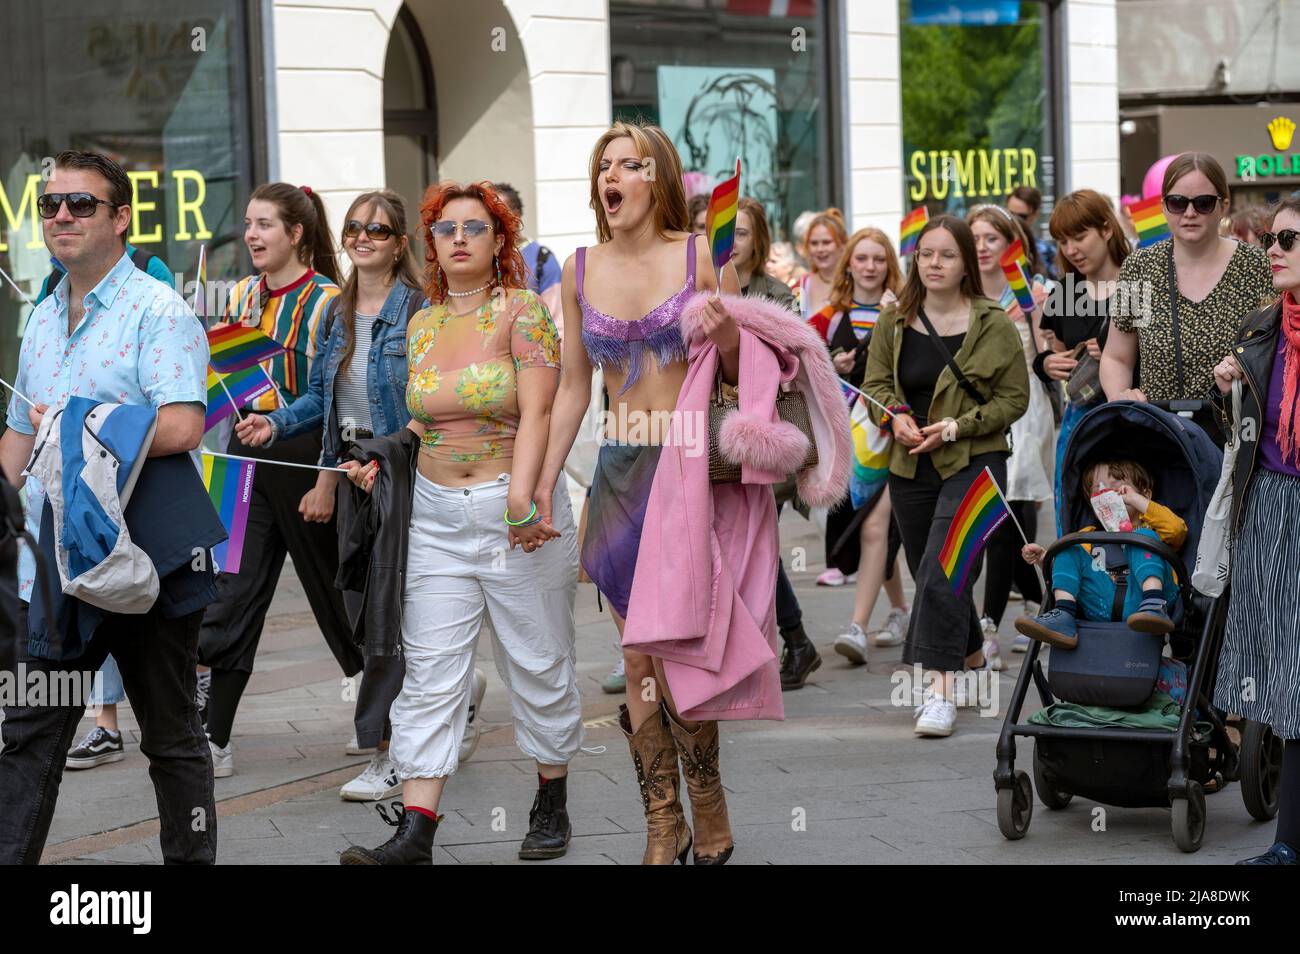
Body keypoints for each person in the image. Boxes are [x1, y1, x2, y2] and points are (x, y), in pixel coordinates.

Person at [534, 121, 850, 864]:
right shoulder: (577, 269)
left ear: (657, 178)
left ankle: (709, 807)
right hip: (618, 477)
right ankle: (660, 821)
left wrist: (727, 330)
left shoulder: (700, 255)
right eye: (602, 166)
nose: (611, 177)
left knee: (677, 656)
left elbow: (752, 378)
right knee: (636, 660)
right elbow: (574, 390)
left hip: (687, 474)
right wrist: (543, 486)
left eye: (627, 164)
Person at [338, 180, 581, 865]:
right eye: (446, 230)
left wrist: (524, 497)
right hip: (438, 518)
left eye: (475, 227)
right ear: (433, 245)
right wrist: (385, 458)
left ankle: (550, 799)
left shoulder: (523, 310)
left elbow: (538, 409)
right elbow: (423, 417)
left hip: (517, 508)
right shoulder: (423, 322)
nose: (460, 239)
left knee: (537, 661)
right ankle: (418, 829)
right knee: (432, 672)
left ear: (500, 240)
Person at [0, 150, 217, 863]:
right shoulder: (42, 316)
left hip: (140, 553)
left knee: (171, 737)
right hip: (53, 558)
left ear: (120, 219)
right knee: (30, 730)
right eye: (51, 204)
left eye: (81, 204)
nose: (61, 216)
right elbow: (19, 431)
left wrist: (83, 427)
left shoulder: (158, 309)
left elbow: (184, 424)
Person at [233, 189, 472, 802]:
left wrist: (383, 460)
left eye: (380, 231)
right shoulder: (335, 315)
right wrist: (277, 423)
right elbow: (322, 401)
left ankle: (398, 753)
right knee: (366, 615)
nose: (364, 238)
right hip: (354, 482)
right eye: (355, 228)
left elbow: (431, 402)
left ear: (400, 245)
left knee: (403, 617)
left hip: (407, 480)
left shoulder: (421, 309)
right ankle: (416, 736)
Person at [198, 183, 361, 779]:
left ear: (296, 233)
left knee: (335, 593)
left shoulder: (328, 302)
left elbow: (335, 398)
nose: (252, 235)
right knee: (229, 595)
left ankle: (406, 700)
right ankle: (214, 738)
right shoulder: (236, 294)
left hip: (303, 460)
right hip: (240, 460)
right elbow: (222, 380)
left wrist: (326, 479)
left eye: (265, 224)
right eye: (247, 223)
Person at [863, 214, 1029, 738]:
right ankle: (974, 657)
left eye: (947, 255)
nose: (935, 264)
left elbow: (1014, 399)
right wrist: (894, 415)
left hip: (975, 463)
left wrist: (958, 426)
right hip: (910, 465)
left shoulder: (992, 322)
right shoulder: (893, 321)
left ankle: (938, 691)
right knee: (932, 571)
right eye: (927, 253)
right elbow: (872, 389)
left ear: (966, 265)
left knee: (942, 567)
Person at [1210, 197, 1300, 865]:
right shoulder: (1262, 326)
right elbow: (1245, 436)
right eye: (1272, 237)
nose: (1274, 249)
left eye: (1289, 239)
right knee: (1285, 677)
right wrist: (1229, 388)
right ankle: (1287, 844)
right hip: (1270, 510)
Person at [1100, 153, 1273, 444]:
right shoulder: (1140, 266)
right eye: (1177, 203)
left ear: (1223, 206)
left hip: (1240, 441)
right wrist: (1122, 397)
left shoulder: (1258, 265)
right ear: (1164, 207)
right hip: (1160, 436)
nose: (1189, 213)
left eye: (1202, 203)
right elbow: (1117, 356)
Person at [802, 227, 912, 666]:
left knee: (874, 529)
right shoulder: (828, 317)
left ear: (890, 265)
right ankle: (901, 611)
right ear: (849, 264)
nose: (869, 267)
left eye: (878, 259)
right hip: (849, 442)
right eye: (862, 259)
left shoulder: (905, 313)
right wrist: (830, 363)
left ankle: (857, 628)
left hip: (896, 436)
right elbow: (796, 368)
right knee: (871, 533)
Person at [732, 197, 819, 689]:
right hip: (715, 439)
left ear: (759, 240)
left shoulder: (775, 293)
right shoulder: (698, 286)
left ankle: (793, 639)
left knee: (754, 540)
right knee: (740, 541)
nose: (732, 241)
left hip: (769, 439)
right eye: (725, 232)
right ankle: (793, 639)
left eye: (742, 233)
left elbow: (788, 364)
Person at [966, 205, 1052, 667]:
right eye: (974, 238)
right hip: (979, 412)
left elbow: (1045, 357)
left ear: (1010, 243)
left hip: (1025, 408)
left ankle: (989, 626)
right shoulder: (963, 292)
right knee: (1002, 512)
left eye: (991, 238)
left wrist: (1040, 317)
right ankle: (1040, 602)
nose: (981, 247)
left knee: (1010, 506)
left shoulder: (1031, 291)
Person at [1037, 189, 1131, 539]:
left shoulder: (1136, 284)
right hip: (1080, 419)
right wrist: (1047, 363)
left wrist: (1116, 355)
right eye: (1063, 241)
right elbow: (1051, 352)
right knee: (1075, 509)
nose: (1071, 249)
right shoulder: (1064, 291)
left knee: (1128, 512)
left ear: (1107, 229)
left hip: (1128, 414)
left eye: (1079, 236)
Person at [1016, 459, 1183, 648]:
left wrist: (1135, 499)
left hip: (1149, 597)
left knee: (1143, 537)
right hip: (1102, 602)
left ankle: (1153, 603)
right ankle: (1064, 614)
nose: (1108, 493)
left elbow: (1177, 530)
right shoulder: (1088, 537)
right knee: (1068, 547)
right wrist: (1044, 559)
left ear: (1145, 494)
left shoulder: (1154, 528)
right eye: (1099, 489)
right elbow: (1070, 574)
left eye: (1118, 487)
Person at [493, 182, 563, 329]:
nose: (494, 220)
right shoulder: (483, 258)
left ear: (516, 215)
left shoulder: (542, 259)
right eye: (489, 214)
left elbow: (558, 323)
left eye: (499, 212)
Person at [1007, 185, 1058, 280]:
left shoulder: (1047, 252)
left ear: (1035, 215)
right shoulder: (997, 246)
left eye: (1022, 217)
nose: (1015, 221)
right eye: (1010, 215)